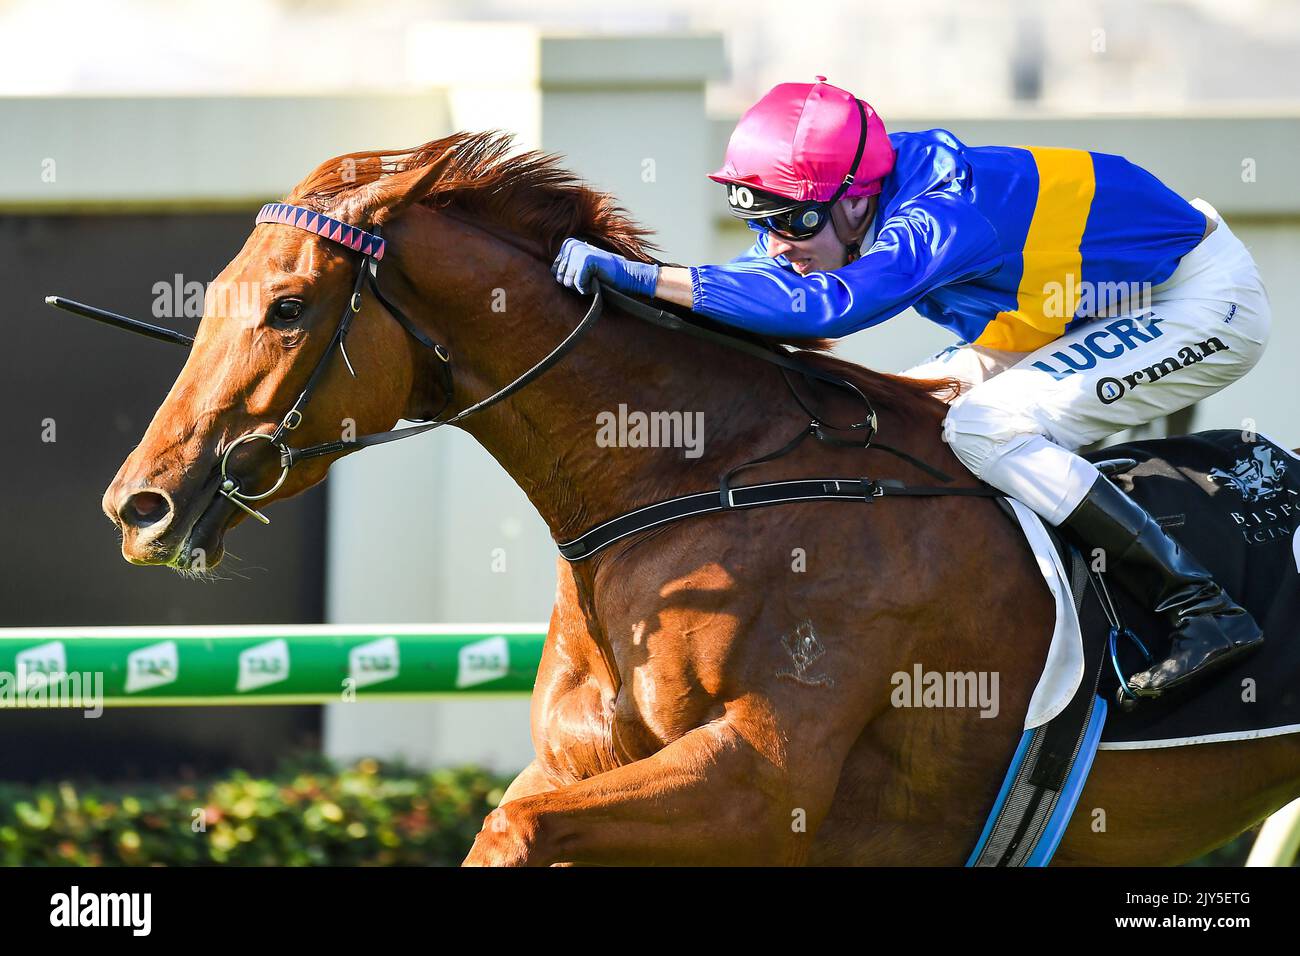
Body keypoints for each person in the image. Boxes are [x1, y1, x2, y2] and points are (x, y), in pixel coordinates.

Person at [550, 76, 1270, 701]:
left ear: (857, 203)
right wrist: (632, 295)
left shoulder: (943, 211)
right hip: (1065, 310)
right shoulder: (858, 190)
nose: (777, 245)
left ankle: (1199, 604)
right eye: (759, 222)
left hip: (1191, 303)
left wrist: (641, 275)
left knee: (985, 427)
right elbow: (757, 281)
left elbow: (828, 307)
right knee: (888, 413)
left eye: (794, 221)